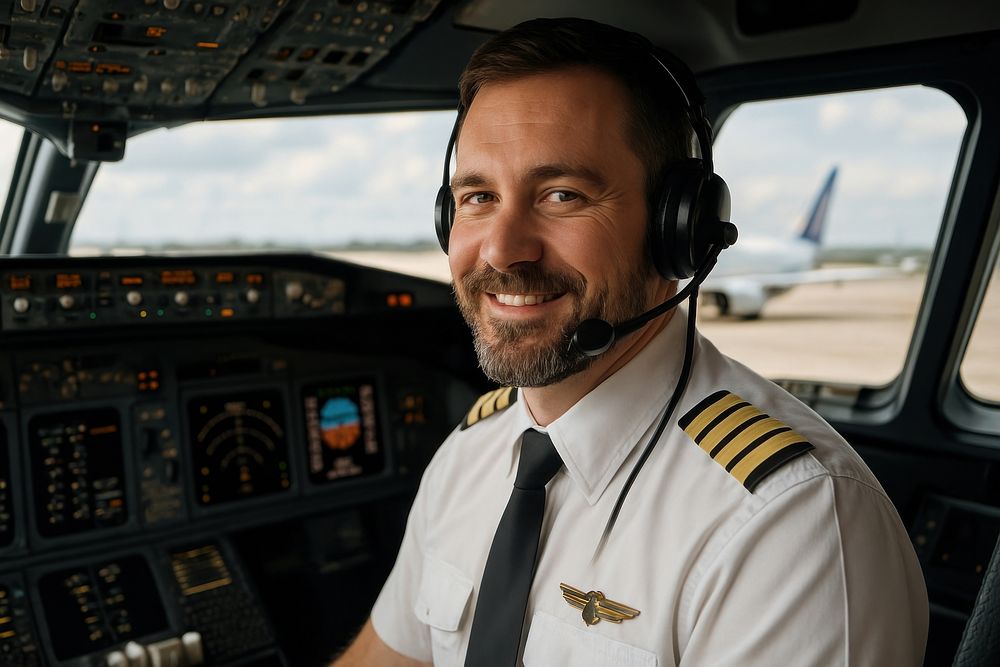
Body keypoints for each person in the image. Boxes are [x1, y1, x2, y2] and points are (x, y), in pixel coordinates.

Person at [333, 17, 928, 667]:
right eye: (478, 196)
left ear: (679, 228)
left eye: (562, 194)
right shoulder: (471, 454)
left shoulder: (790, 521)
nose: (502, 249)